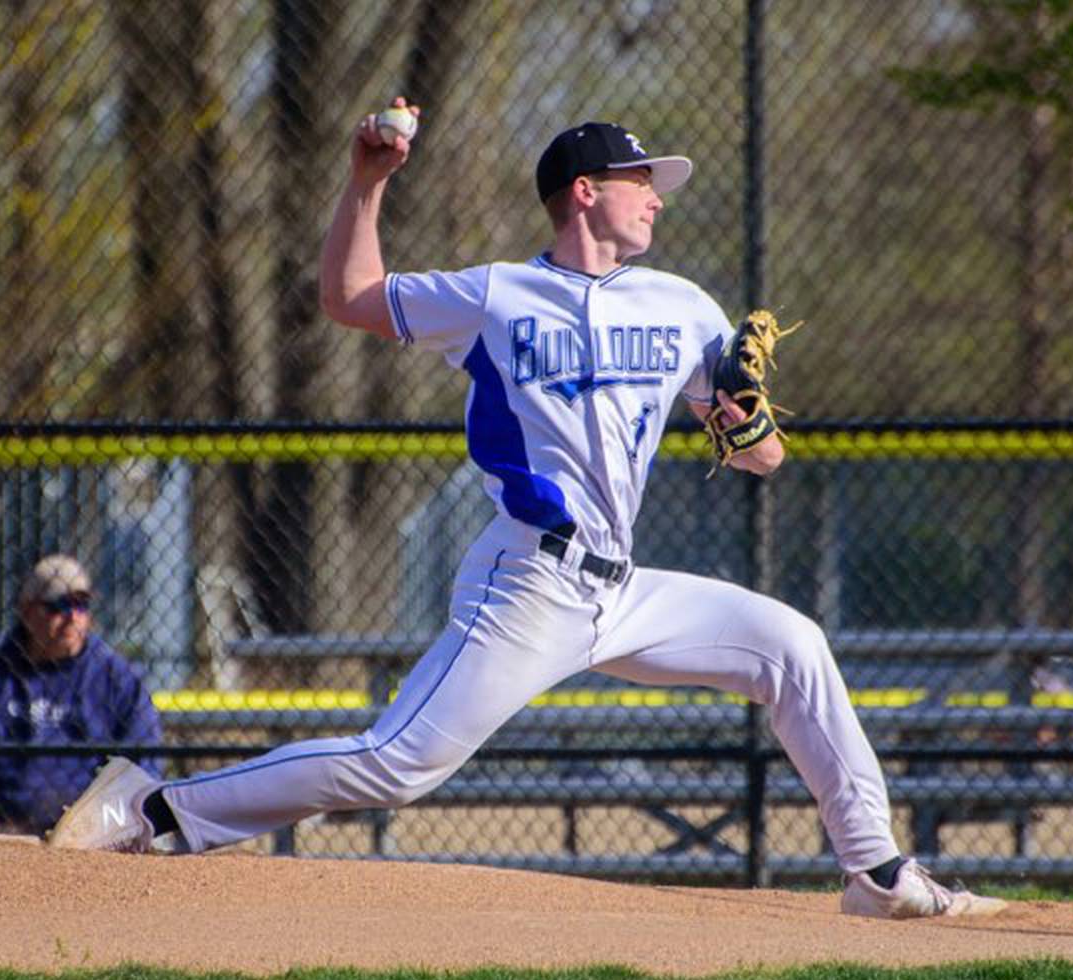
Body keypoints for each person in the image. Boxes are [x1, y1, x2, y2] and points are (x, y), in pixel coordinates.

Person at [50, 105, 1005, 920]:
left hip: (621, 589)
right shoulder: (495, 296)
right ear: (584, 192)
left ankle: (875, 872)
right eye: (640, 180)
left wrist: (743, 418)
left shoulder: (683, 307)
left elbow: (761, 455)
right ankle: (155, 809)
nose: (657, 196)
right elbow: (348, 298)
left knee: (792, 646)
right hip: (529, 581)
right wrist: (368, 182)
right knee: (397, 763)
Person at [0, 555, 163, 835]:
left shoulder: (116, 679)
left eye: (81, 605)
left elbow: (144, 759)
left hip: (90, 833)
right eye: (59, 606)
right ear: (26, 611)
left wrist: (109, 820)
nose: (72, 617)